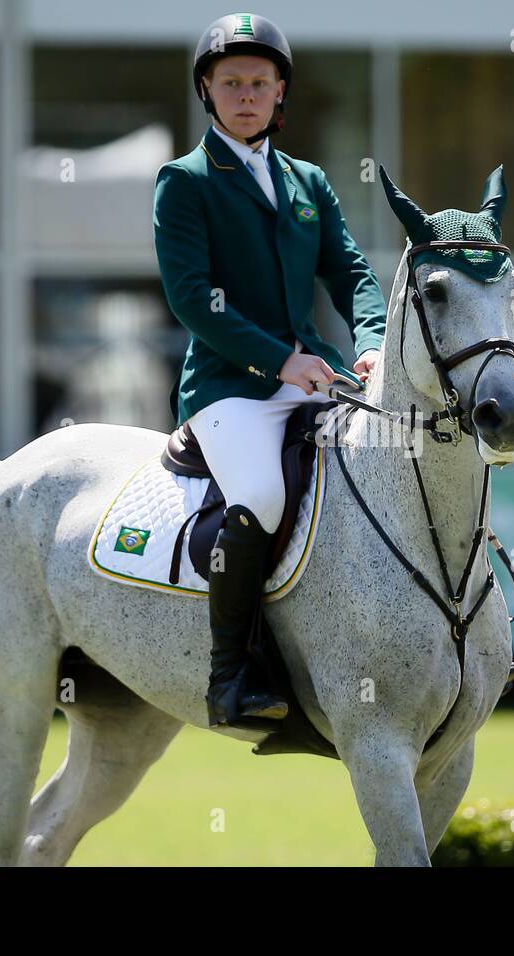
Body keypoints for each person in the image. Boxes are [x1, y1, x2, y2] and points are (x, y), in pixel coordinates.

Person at [153, 13, 387, 728]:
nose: (246, 94)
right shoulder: (185, 181)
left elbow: (349, 272)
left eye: (259, 82)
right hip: (231, 386)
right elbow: (192, 299)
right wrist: (281, 359)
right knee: (260, 493)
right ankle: (231, 676)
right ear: (208, 90)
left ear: (280, 91)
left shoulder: (308, 182)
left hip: (314, 376)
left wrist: (373, 338)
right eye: (232, 83)